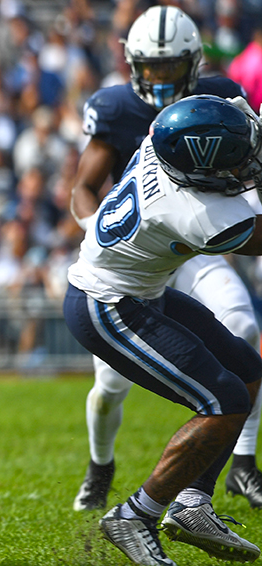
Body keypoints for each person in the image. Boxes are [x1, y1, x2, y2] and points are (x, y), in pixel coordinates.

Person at [70, 5, 262, 512]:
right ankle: (101, 464)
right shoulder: (114, 107)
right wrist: (102, 231)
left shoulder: (221, 95)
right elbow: (84, 188)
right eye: (150, 66)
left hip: (193, 246)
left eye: (170, 65)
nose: (159, 76)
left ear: (193, 62)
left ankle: (240, 464)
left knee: (241, 324)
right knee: (110, 385)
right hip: (141, 251)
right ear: (133, 64)